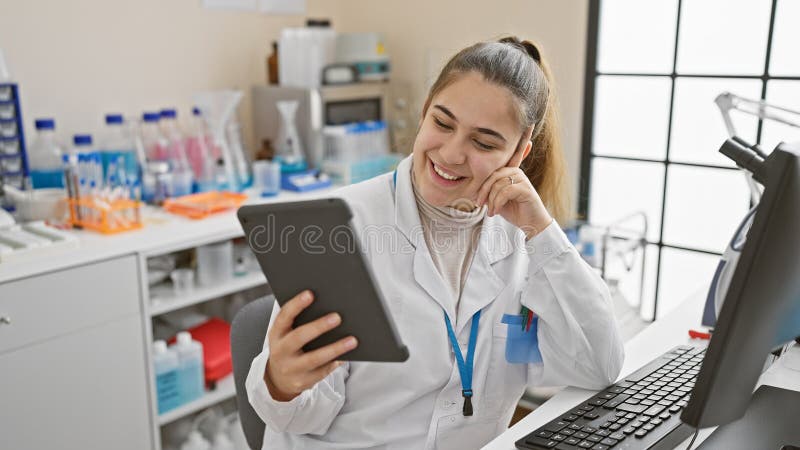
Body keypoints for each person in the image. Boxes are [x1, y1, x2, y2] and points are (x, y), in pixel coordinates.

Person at [245, 37, 624, 449]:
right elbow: (300, 416)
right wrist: (282, 382)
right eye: (443, 124)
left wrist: (543, 231)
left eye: (484, 142)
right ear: (425, 112)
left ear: (519, 152)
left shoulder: (525, 241)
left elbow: (598, 366)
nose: (452, 153)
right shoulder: (337, 229)